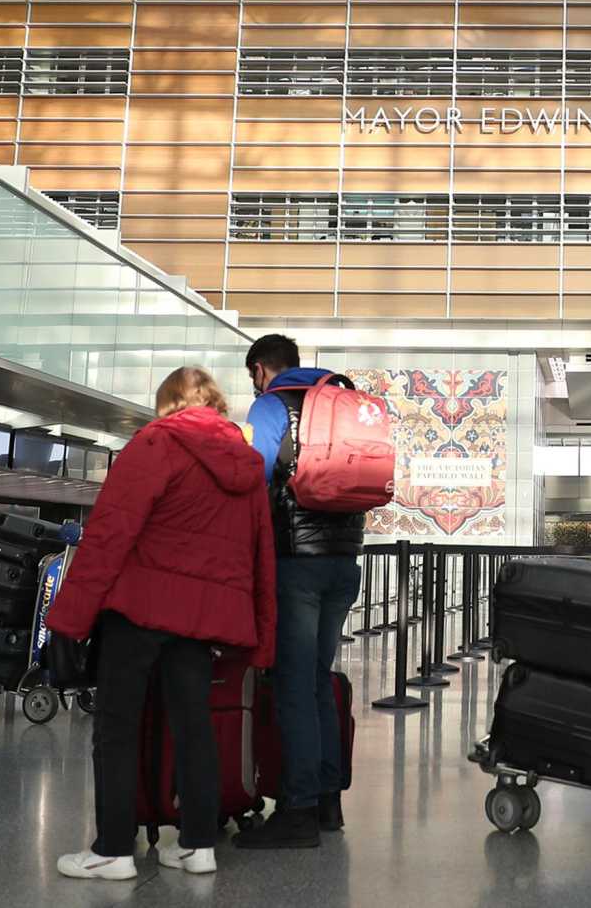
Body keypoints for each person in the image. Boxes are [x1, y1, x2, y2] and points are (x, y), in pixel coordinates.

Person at [47, 366, 276, 880]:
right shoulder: (246, 463)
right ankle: (198, 844)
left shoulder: (156, 444)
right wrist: (261, 633)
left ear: (168, 403)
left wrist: (69, 617)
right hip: (201, 621)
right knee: (194, 724)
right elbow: (262, 554)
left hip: (140, 607)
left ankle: (112, 849)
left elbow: (109, 533)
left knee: (117, 725)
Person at [232, 334, 362, 851]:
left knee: (293, 685)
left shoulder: (272, 406)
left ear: (262, 369)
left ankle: (299, 810)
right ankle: (328, 800)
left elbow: (250, 474)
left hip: (296, 564)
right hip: (345, 562)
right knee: (316, 680)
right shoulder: (342, 399)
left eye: (252, 377)